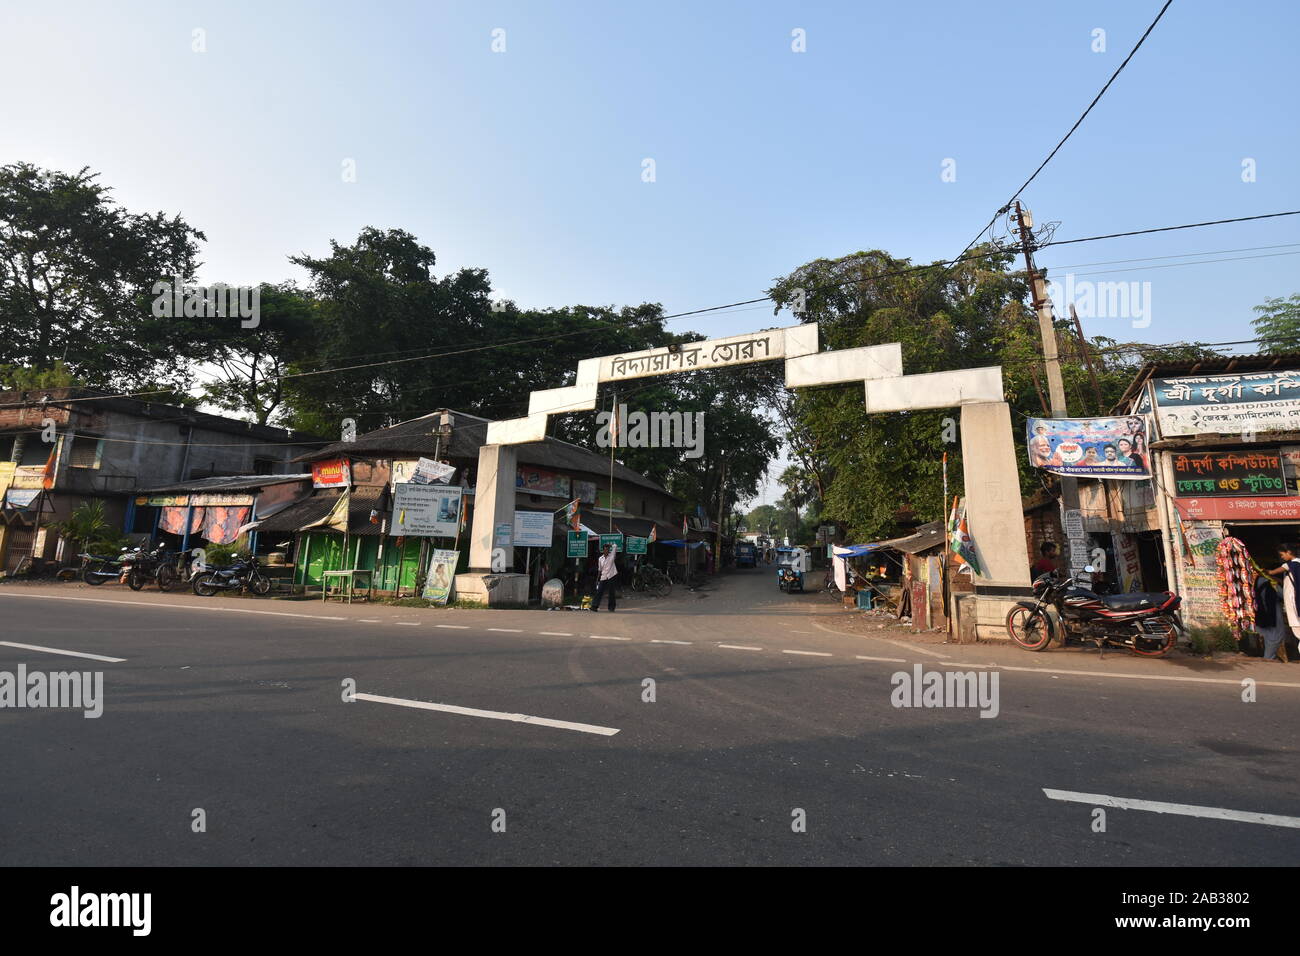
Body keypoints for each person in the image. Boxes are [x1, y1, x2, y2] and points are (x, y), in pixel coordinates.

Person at [1266, 543, 1300, 657]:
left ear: (1289, 552)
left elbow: (1272, 572)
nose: (1282, 557)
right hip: (1293, 602)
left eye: (1282, 554)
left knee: (1297, 628)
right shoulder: (1293, 567)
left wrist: (1266, 572)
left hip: (1294, 603)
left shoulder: (1293, 565)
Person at [592, 543, 620, 612]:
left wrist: (610, 545)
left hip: (611, 575)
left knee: (611, 592)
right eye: (605, 550)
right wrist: (597, 579)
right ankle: (594, 606)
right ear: (603, 550)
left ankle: (611, 607)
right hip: (603, 576)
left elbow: (615, 546)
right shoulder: (600, 559)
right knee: (599, 591)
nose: (606, 551)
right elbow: (600, 569)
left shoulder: (612, 556)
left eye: (607, 549)